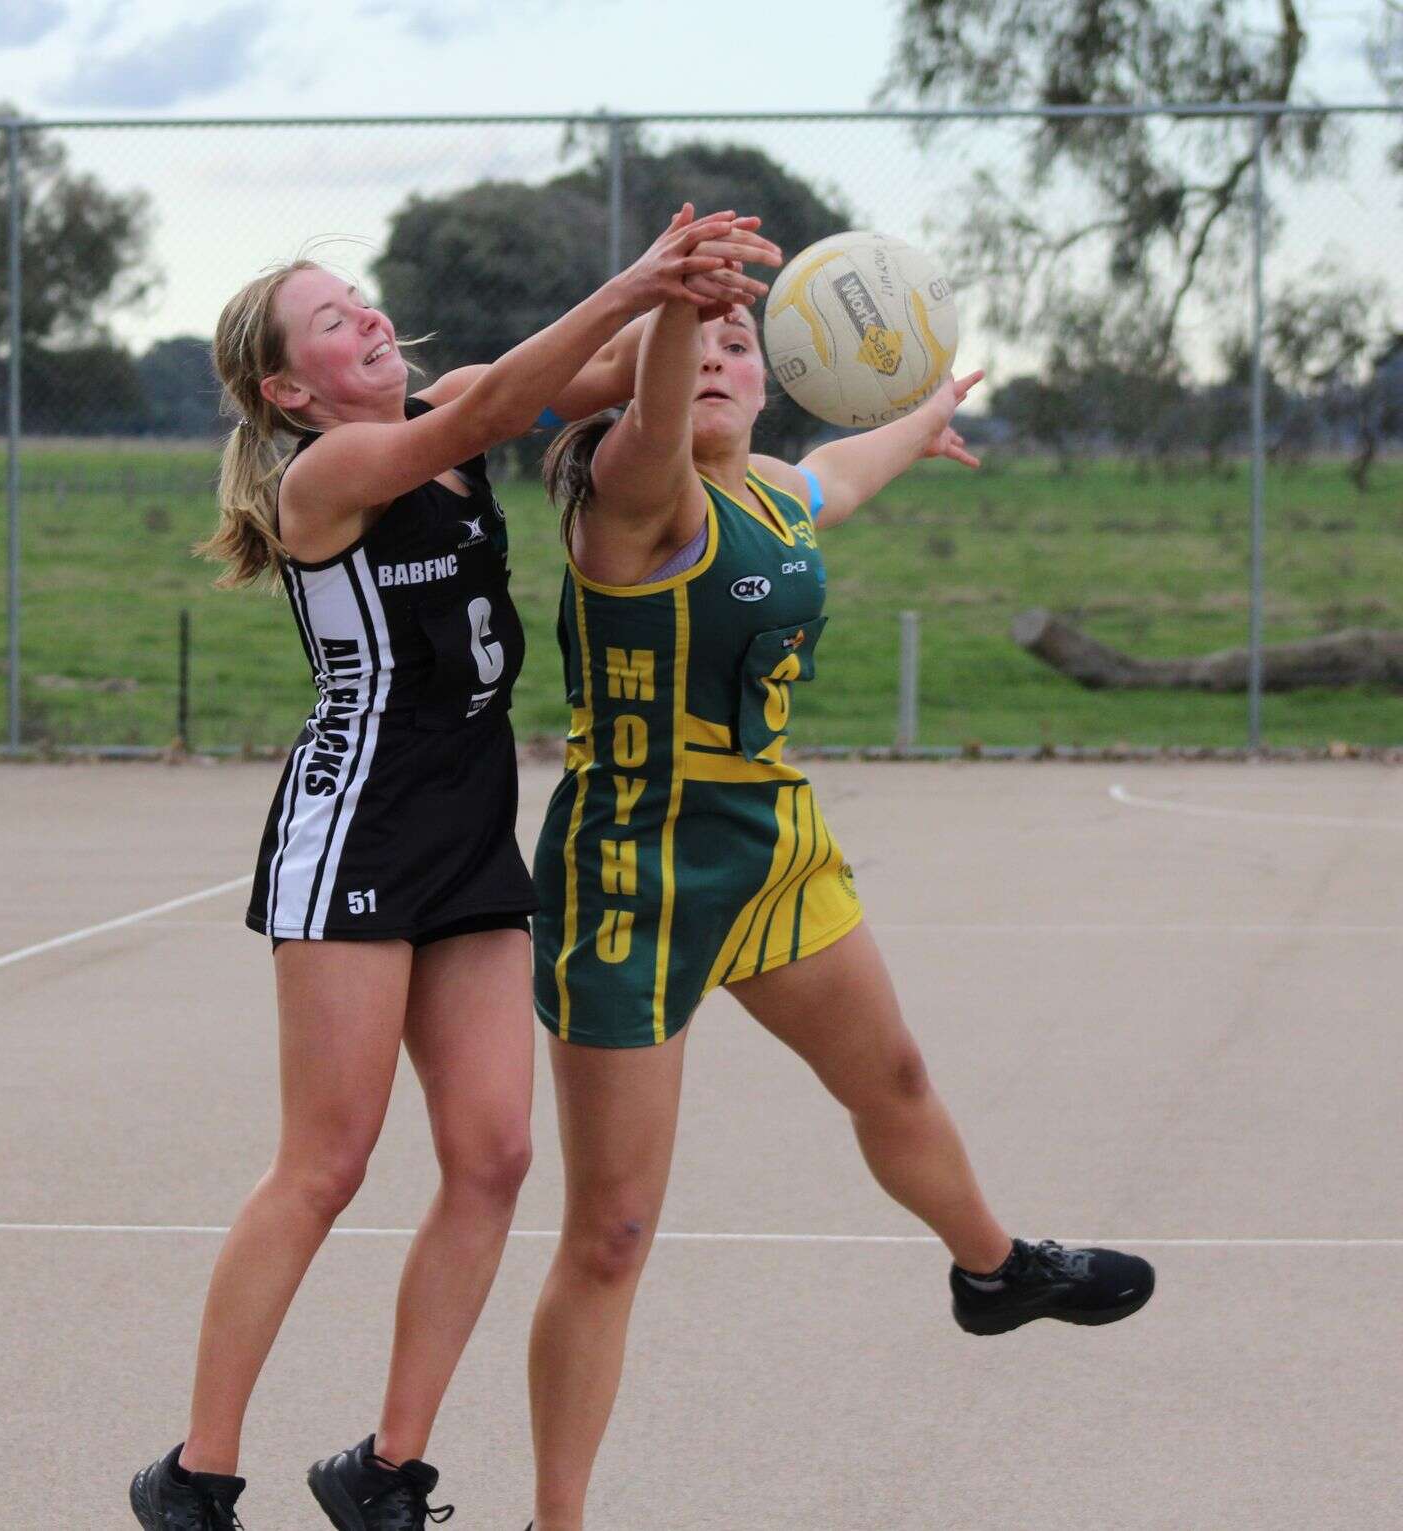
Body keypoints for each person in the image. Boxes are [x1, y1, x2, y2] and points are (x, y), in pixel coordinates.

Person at [129, 207, 783, 1531]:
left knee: (490, 1154)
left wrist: (691, 309)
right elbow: (475, 428)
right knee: (328, 1158)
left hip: (469, 830)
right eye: (332, 319)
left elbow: (588, 385)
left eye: (361, 301)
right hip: (355, 830)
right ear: (287, 388)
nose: (368, 317)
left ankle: (386, 1467)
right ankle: (195, 1469)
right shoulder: (331, 473)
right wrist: (635, 281)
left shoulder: (465, 402)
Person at [524, 294, 1156, 1529]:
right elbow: (655, 411)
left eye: (738, 346)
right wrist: (674, 295)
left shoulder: (765, 485)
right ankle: (557, 1520)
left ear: (773, 378)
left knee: (897, 1080)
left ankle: (995, 1270)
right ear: (640, 378)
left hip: (769, 842)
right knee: (612, 1231)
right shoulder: (631, 486)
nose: (715, 358)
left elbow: (834, 479)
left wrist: (923, 418)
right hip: (633, 877)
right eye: (692, 346)